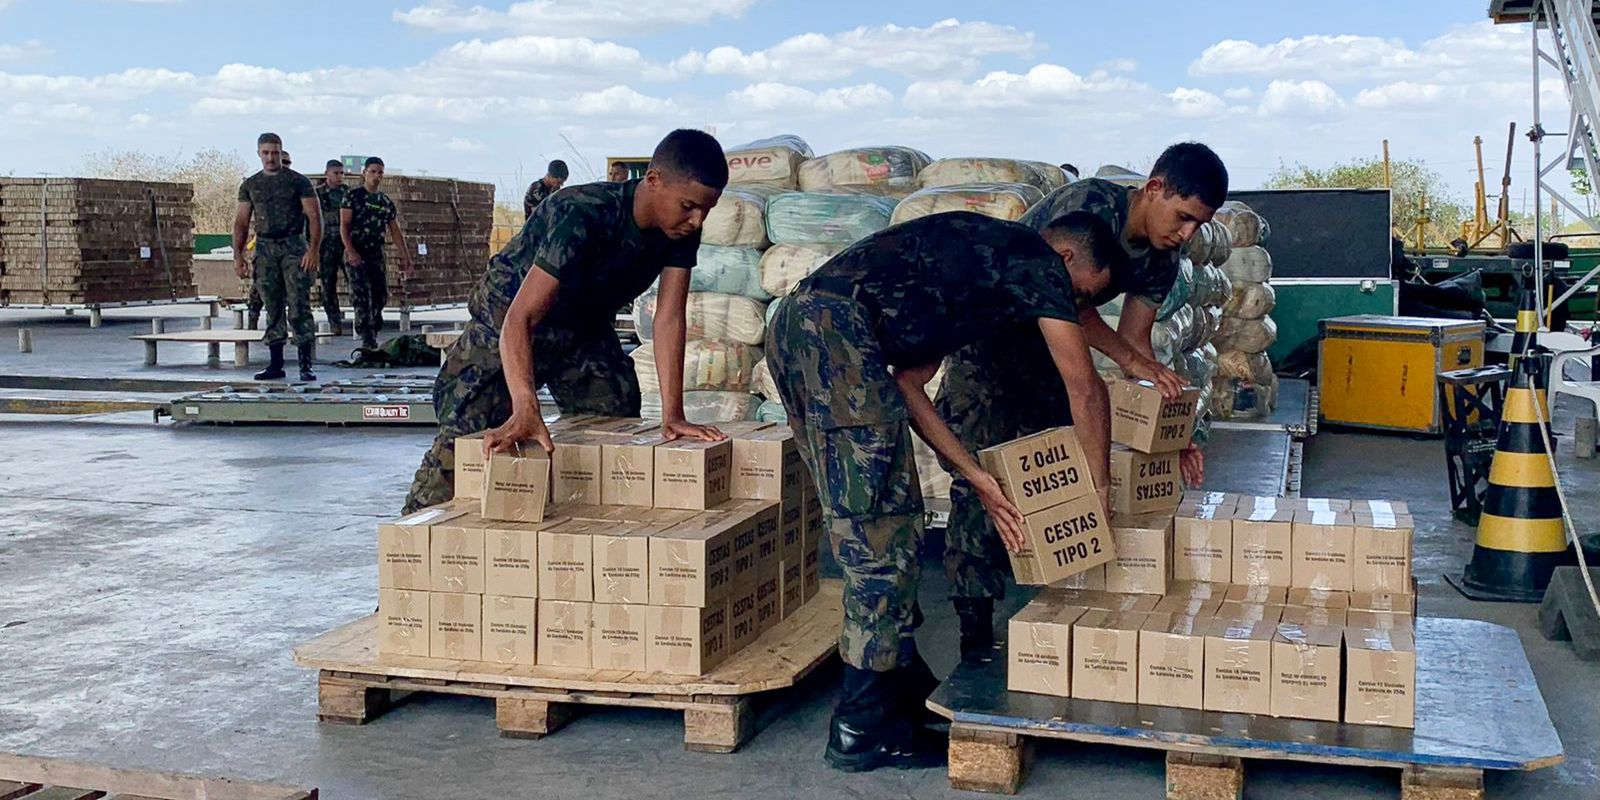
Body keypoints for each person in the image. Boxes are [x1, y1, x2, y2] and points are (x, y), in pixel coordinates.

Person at [765, 210, 1122, 772]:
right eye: (1080, 295)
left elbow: (908, 387)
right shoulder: (1035, 260)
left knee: (888, 521)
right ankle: (862, 727)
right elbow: (1086, 388)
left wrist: (977, 475)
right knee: (878, 537)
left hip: (802, 332)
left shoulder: (964, 284)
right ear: (1067, 261)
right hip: (833, 337)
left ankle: (897, 686)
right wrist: (1097, 490)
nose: (1070, 308)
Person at [937, 142, 1230, 663]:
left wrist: (1173, 435)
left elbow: (1135, 348)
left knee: (1053, 473)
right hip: (990, 345)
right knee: (984, 480)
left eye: (1198, 226)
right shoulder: (1088, 210)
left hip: (1056, 352)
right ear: (1154, 189)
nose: (1186, 234)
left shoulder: (1163, 257)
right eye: (1184, 217)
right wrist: (1130, 370)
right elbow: (1072, 308)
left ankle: (1051, 605)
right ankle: (973, 625)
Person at [402, 131, 728, 513]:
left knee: (616, 417)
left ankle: (587, 522)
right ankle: (413, 537)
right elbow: (520, 318)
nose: (697, 220)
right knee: (466, 436)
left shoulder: (681, 230)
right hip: (508, 317)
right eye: (689, 206)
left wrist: (673, 415)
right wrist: (525, 404)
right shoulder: (584, 212)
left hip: (582, 324)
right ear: (653, 180)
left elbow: (669, 317)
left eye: (706, 210)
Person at [233, 133, 321, 382]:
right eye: (266, 152)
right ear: (259, 153)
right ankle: (275, 364)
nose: (271, 157)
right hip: (265, 247)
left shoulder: (298, 182)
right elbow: (241, 221)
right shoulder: (251, 185)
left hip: (294, 246)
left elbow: (314, 217)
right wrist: (237, 255)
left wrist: (313, 250)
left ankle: (305, 364)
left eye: (275, 152)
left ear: (281, 152)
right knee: (272, 306)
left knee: (299, 306)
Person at [340, 157, 414, 351]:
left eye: (380, 172)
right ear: (365, 173)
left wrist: (406, 257)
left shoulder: (385, 202)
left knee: (380, 294)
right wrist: (350, 251)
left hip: (375, 252)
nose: (376, 176)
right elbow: (344, 225)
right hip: (356, 249)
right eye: (372, 171)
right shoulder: (353, 196)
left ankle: (374, 324)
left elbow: (395, 230)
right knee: (361, 294)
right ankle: (367, 337)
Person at [316, 159, 349, 336]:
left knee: (355, 281)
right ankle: (334, 320)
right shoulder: (318, 194)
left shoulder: (348, 193)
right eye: (336, 173)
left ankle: (362, 319)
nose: (339, 177)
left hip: (346, 243)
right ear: (327, 173)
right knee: (328, 285)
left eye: (341, 173)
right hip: (326, 244)